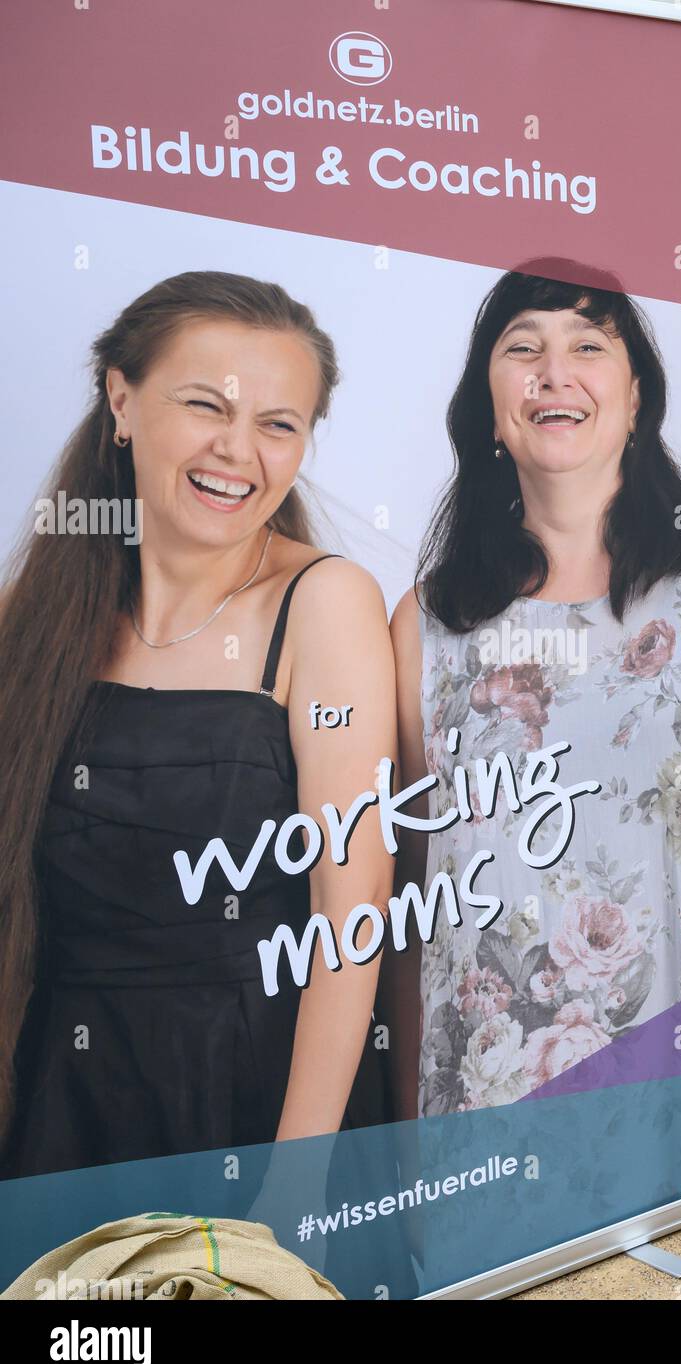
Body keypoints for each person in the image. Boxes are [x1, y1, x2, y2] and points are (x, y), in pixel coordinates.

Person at [0, 270, 397, 1178]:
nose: (238, 451)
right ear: (122, 400)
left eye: (278, 424)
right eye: (205, 405)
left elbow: (351, 920)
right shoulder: (33, 621)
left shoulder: (324, 604)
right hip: (58, 1100)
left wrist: (298, 1191)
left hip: (255, 1097)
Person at [388, 260, 681, 1118]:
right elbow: (406, 888)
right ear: (488, 406)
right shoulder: (425, 624)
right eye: (521, 347)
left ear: (638, 394)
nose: (553, 372)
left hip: (661, 1077)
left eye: (588, 344)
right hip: (478, 1094)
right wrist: (404, 1130)